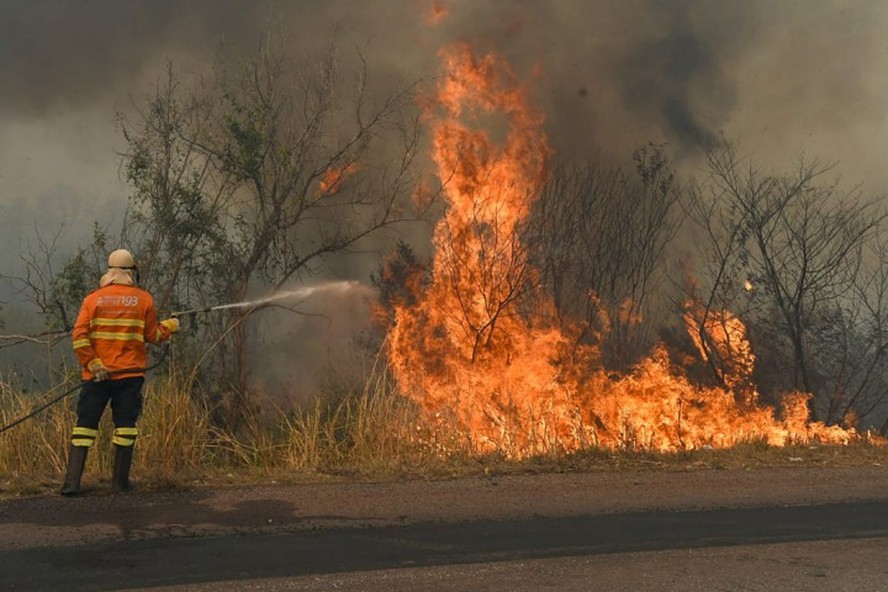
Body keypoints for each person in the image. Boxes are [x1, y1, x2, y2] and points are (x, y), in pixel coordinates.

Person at [60, 249, 179, 496]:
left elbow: (79, 337)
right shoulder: (144, 299)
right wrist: (170, 326)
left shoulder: (92, 299)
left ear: (109, 271)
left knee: (84, 427)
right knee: (125, 427)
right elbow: (152, 335)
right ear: (132, 271)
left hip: (96, 376)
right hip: (129, 375)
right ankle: (120, 483)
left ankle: (71, 483)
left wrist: (93, 364)